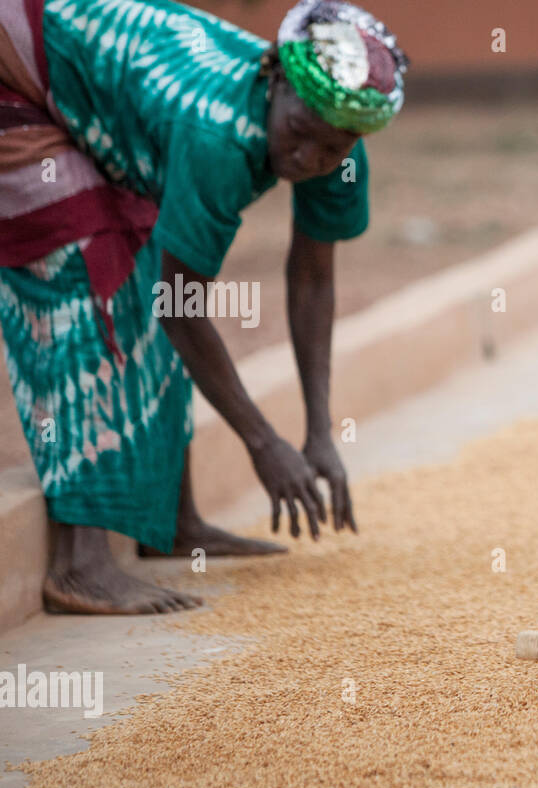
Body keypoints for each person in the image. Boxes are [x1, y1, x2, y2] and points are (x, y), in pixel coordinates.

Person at [0, 0, 407, 613]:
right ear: (274, 79)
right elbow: (180, 307)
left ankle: (175, 525)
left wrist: (319, 431)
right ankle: (79, 564)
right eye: (298, 135)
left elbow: (312, 277)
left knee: (147, 264)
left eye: (332, 150)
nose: (309, 162)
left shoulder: (333, 130)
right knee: (90, 268)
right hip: (19, 69)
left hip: (96, 103)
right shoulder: (217, 135)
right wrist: (264, 443)